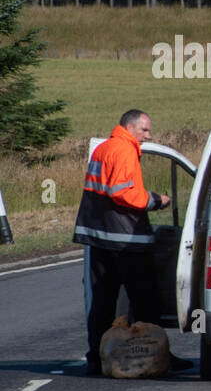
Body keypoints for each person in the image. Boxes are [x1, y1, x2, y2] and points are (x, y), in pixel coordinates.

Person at [73, 110, 191, 374]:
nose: (148, 136)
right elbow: (122, 191)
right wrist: (156, 200)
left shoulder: (103, 149)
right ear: (130, 127)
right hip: (126, 239)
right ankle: (156, 356)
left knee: (102, 302)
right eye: (145, 130)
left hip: (100, 237)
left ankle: (98, 357)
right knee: (146, 300)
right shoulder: (124, 150)